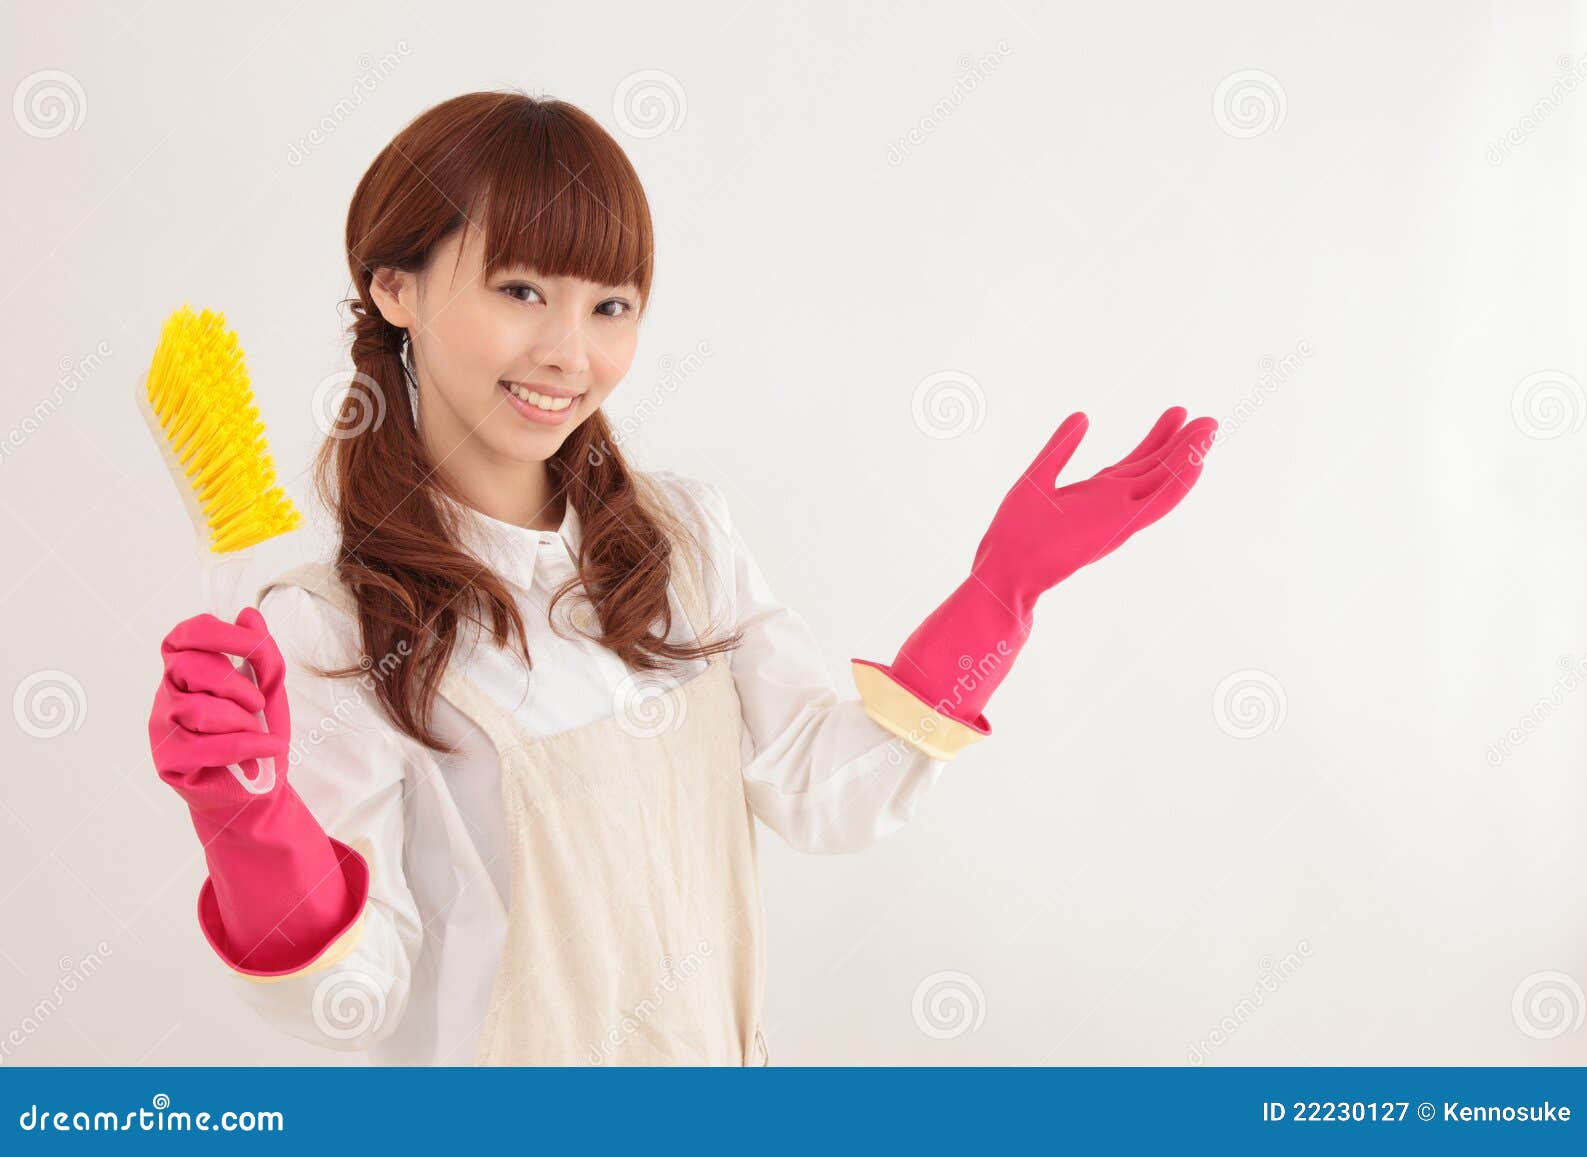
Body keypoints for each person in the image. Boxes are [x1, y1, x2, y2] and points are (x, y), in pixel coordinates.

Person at [147, 90, 1218, 1066]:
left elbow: (817, 789)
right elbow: (355, 995)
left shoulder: (679, 538)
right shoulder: (328, 627)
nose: (570, 352)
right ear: (395, 286)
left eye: (611, 304)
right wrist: (250, 826)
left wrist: (997, 598)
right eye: (521, 289)